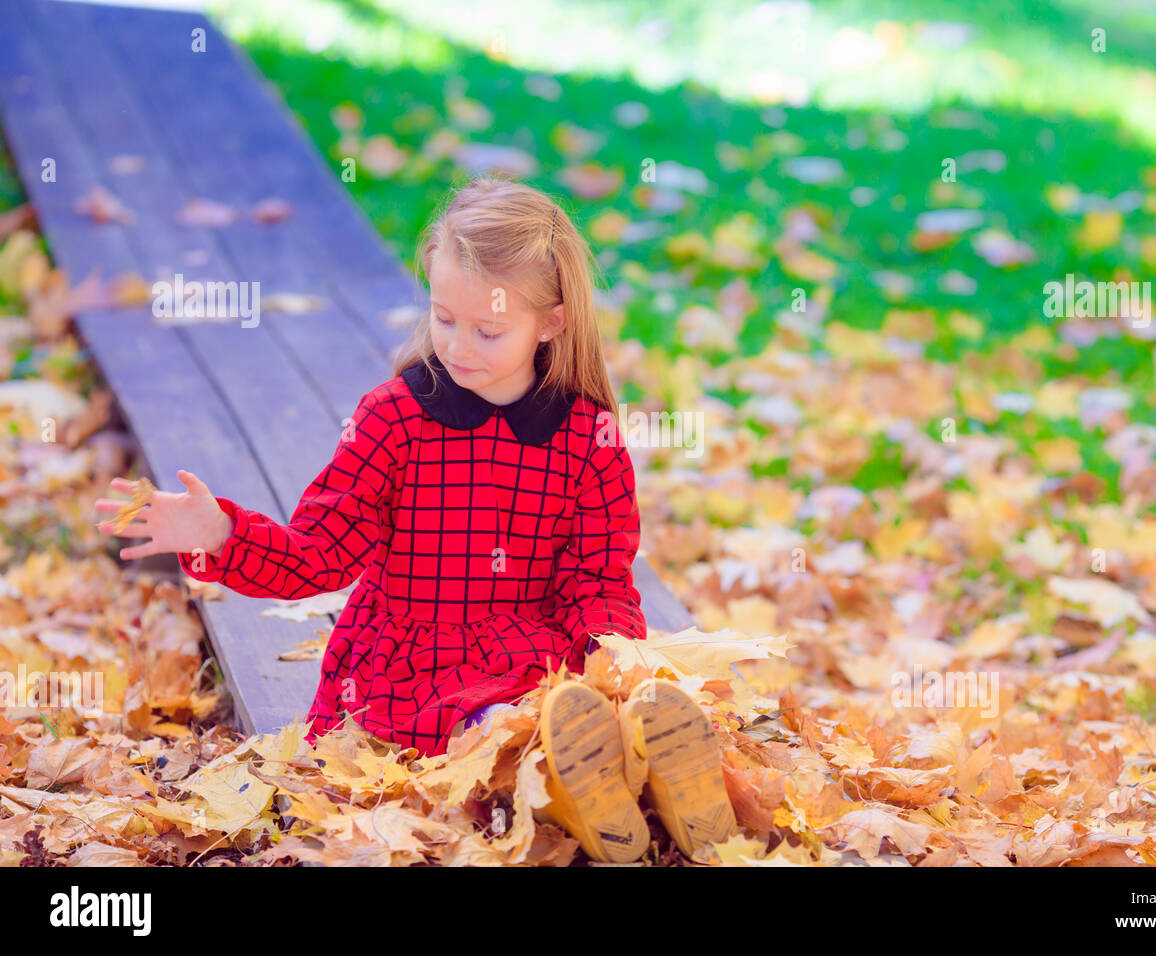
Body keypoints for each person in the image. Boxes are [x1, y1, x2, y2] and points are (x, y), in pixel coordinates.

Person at [94, 176, 735, 862]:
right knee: (498, 735)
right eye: (443, 317)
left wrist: (613, 660)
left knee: (571, 707)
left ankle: (653, 769)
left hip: (533, 656)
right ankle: (597, 780)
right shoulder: (396, 420)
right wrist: (219, 530)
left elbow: (598, 579)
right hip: (410, 667)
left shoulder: (587, 437)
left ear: (550, 323)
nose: (459, 346)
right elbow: (320, 553)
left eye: (488, 330)